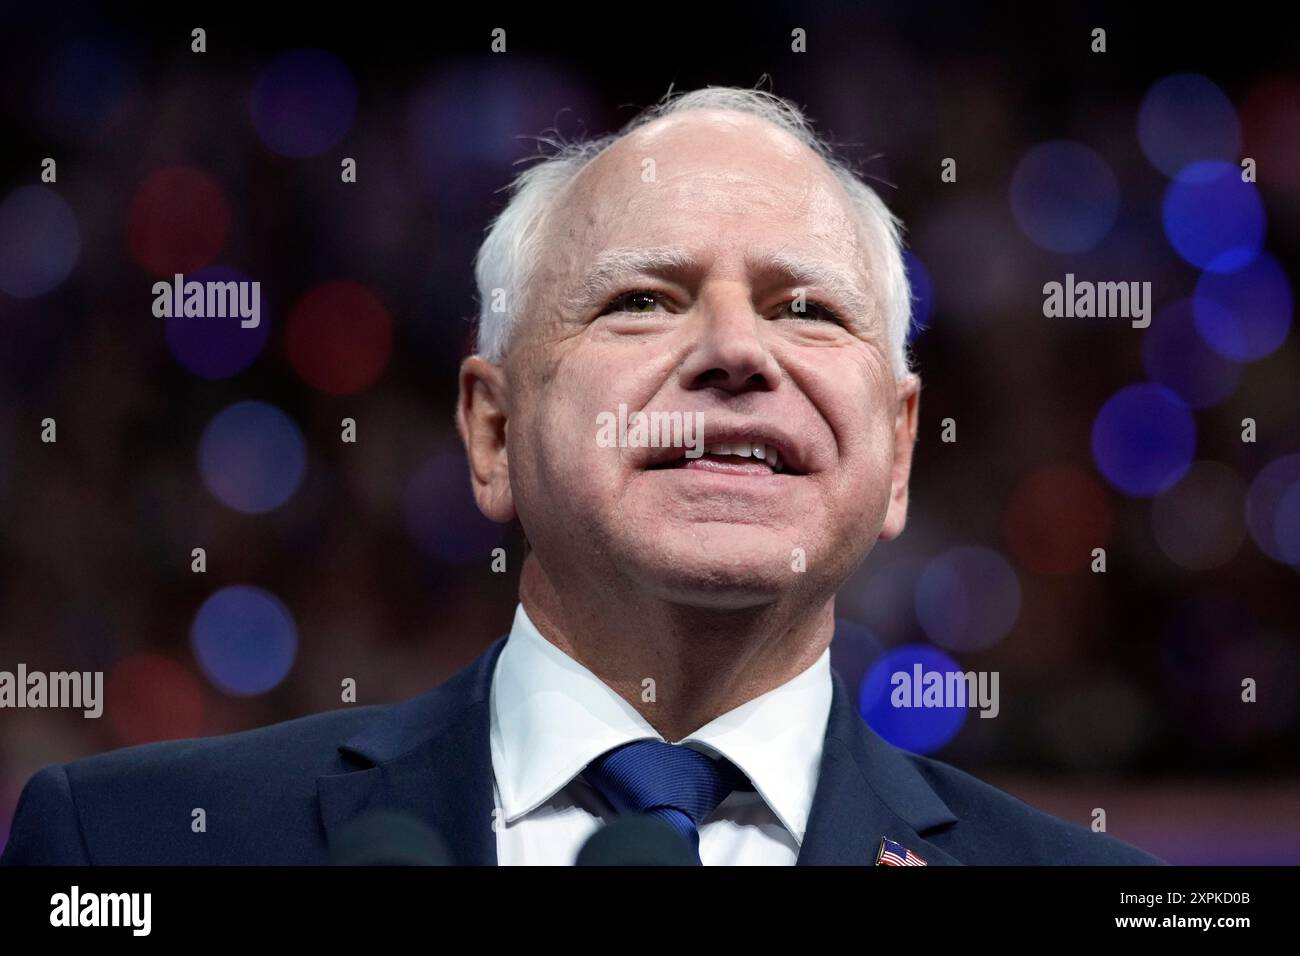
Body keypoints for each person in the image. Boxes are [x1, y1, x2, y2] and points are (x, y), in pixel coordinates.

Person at [1, 86, 1163, 866]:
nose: (736, 351)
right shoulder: (134, 843)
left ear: (899, 449)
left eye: (805, 308)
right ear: (492, 432)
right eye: (641, 300)